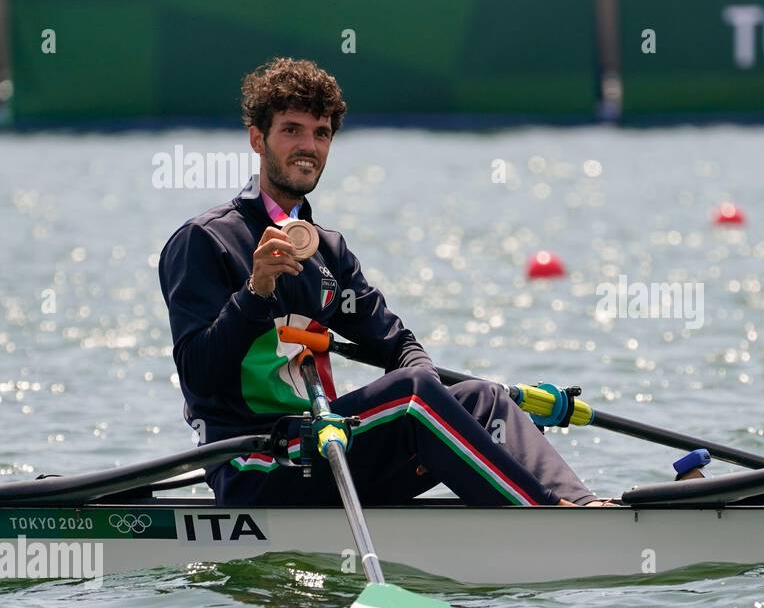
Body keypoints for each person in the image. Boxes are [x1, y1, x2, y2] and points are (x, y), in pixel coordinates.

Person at [160, 57, 608, 507]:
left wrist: (440, 398)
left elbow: (397, 345)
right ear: (257, 139)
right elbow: (200, 375)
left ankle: (586, 510)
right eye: (291, 130)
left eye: (321, 133)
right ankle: (550, 516)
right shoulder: (205, 241)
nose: (308, 146)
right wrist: (255, 292)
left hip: (322, 447)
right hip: (255, 463)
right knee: (413, 397)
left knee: (482, 398)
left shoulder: (328, 252)